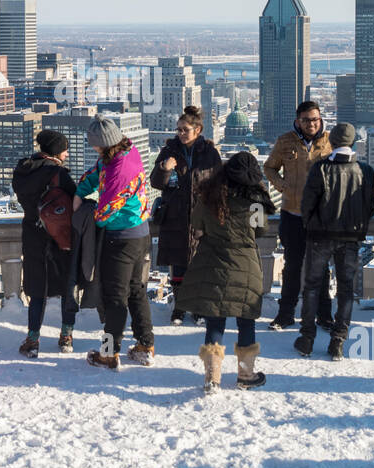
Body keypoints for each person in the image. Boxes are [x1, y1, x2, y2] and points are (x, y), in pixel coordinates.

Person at [178, 152, 276, 393]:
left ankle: (212, 377)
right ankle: (245, 374)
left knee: (215, 320)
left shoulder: (210, 196)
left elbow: (197, 224)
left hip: (213, 263)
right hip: (245, 265)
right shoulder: (254, 201)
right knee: (246, 321)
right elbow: (261, 229)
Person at [76, 117, 154, 369]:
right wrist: (82, 188)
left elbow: (104, 213)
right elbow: (98, 170)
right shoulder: (129, 151)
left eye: (94, 145)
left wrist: (85, 210)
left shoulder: (118, 171)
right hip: (140, 233)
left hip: (121, 239)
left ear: (103, 144)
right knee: (136, 291)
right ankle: (145, 344)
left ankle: (109, 353)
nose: (93, 149)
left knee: (115, 298)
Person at [296, 122, 374, 360]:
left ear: (332, 142)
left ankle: (306, 339)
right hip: (351, 237)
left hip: (320, 236)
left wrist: (311, 226)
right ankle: (338, 341)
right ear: (353, 142)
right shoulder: (366, 170)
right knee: (346, 289)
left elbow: (307, 205)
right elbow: (371, 206)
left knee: (311, 287)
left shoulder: (320, 168)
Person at [149, 106, 221, 324]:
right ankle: (179, 307)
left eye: (185, 129)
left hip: (201, 216)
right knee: (178, 264)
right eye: (179, 129)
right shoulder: (169, 151)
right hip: (175, 216)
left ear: (197, 130)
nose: (180, 133)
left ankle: (198, 307)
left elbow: (219, 183)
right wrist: (164, 168)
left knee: (199, 264)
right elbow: (155, 182)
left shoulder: (209, 153)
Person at [263, 101, 330, 329]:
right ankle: (285, 315)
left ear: (320, 119)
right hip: (292, 214)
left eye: (315, 119)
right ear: (297, 120)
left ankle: (324, 315)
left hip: (321, 216)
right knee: (292, 267)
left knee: (321, 267)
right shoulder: (285, 141)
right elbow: (269, 167)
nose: (311, 124)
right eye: (306, 120)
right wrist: (283, 186)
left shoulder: (330, 142)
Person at [12, 129, 79, 356]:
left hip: (32, 234)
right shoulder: (57, 174)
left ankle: (32, 340)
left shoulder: (22, 172)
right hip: (60, 236)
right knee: (67, 287)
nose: (67, 154)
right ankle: (66, 336)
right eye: (65, 150)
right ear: (56, 151)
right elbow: (77, 198)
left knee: (37, 289)